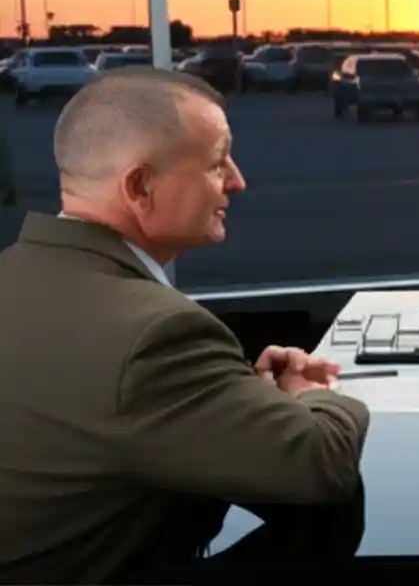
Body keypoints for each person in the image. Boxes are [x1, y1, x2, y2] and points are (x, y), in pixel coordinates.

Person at [0, 68, 371, 583]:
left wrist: (232, 391)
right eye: (217, 163)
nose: (237, 181)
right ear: (140, 186)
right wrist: (310, 391)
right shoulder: (154, 333)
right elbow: (321, 465)